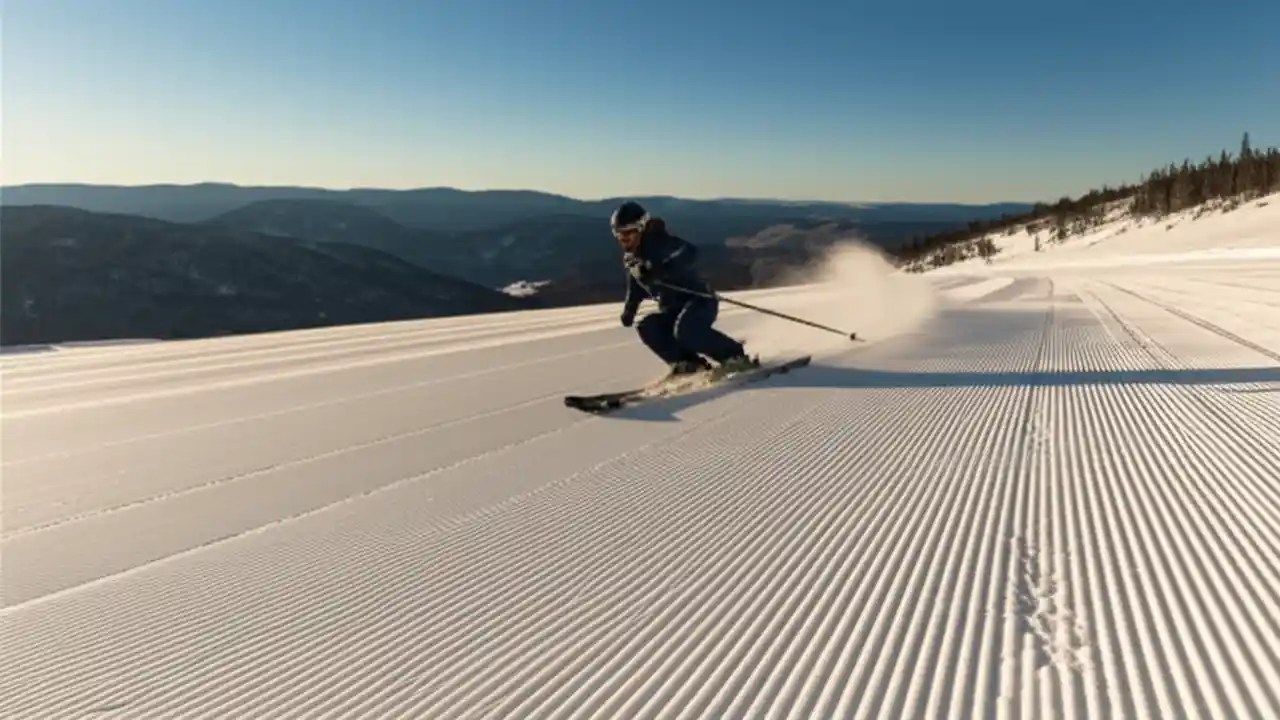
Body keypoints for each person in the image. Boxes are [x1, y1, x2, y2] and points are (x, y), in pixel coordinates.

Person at [610, 200, 753, 377]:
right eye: (619, 234)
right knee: (648, 326)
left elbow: (690, 252)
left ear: (642, 227)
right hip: (671, 307)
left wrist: (663, 268)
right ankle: (687, 363)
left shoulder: (660, 242)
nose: (624, 239)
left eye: (628, 233)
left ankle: (734, 356)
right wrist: (630, 310)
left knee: (687, 331)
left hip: (698, 300)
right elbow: (635, 285)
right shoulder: (631, 258)